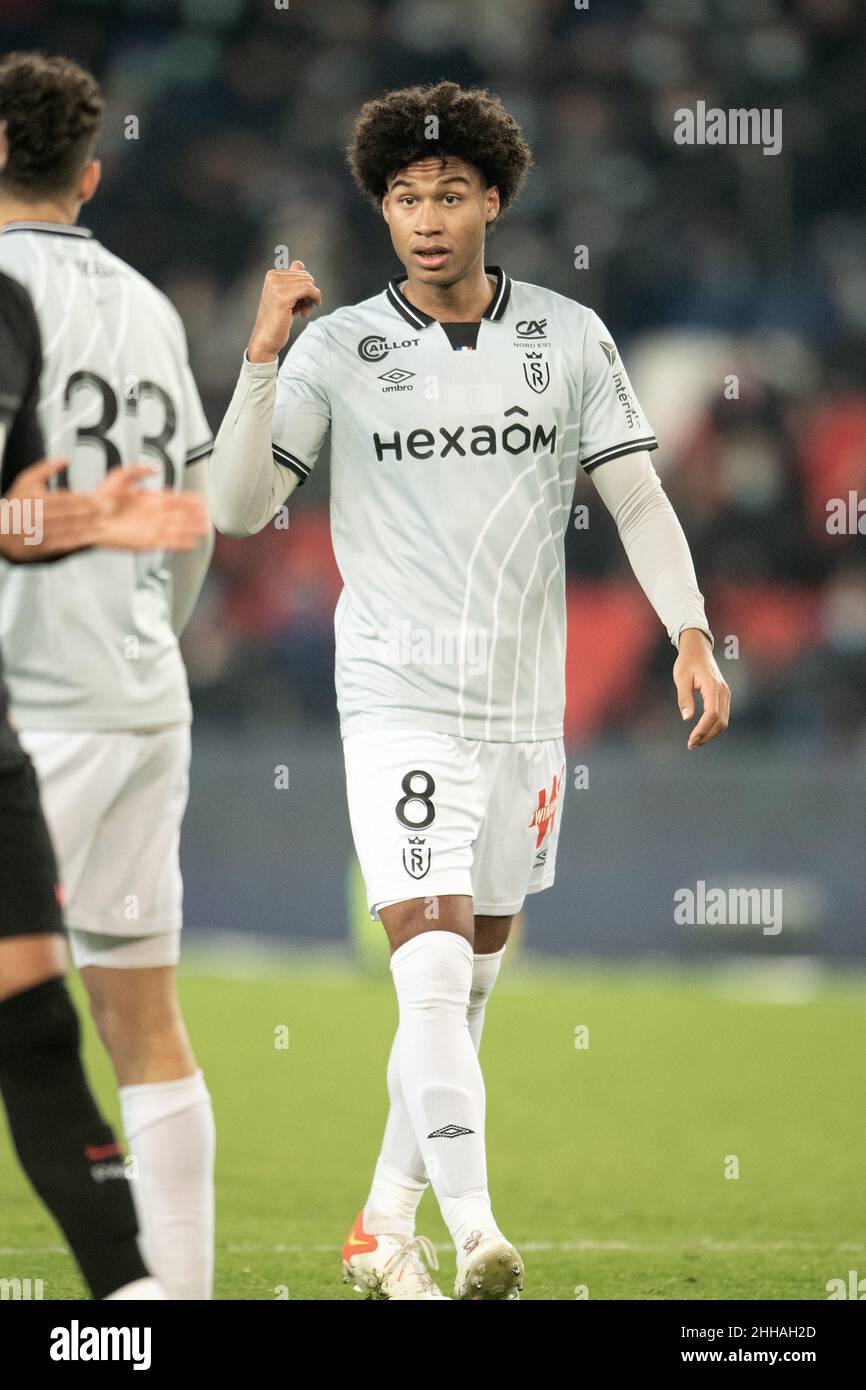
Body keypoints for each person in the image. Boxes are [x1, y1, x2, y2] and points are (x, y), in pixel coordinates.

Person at [210, 80, 730, 1300]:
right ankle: (476, 1226)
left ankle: (379, 1229)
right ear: (380, 212)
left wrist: (692, 630)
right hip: (395, 694)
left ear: (491, 199)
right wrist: (257, 359)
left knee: (475, 975)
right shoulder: (337, 348)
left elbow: (638, 497)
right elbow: (236, 509)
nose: (426, 216)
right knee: (433, 970)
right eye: (402, 197)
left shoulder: (569, 334)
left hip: (521, 713)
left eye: (448, 194)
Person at [0, 53, 216, 1299]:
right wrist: (152, 636)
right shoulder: (149, 303)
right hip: (143, 696)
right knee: (144, 1024)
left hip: (29, 703)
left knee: (26, 1029)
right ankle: (167, 1301)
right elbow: (187, 514)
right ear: (87, 175)